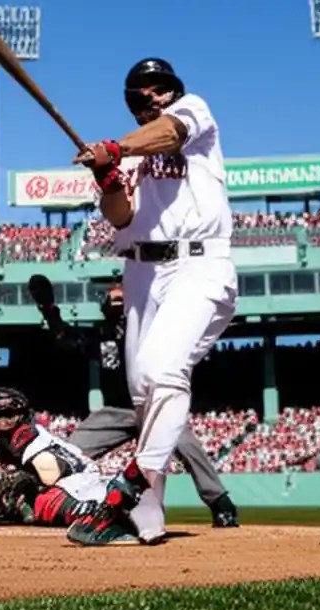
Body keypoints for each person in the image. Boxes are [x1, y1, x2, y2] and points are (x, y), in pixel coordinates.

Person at [65, 57, 239, 546]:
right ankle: (148, 517)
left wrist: (114, 147)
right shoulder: (132, 154)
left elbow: (171, 132)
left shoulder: (192, 114)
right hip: (141, 272)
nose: (154, 96)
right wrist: (106, 177)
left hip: (198, 264)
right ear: (132, 101)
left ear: (174, 90)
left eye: (161, 88)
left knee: (164, 371)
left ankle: (128, 490)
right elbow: (120, 218)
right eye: (143, 92)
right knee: (144, 395)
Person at [26, 272, 240, 528]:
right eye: (112, 297)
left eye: (122, 295)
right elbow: (65, 338)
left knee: (186, 443)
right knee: (70, 449)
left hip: (154, 406)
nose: (117, 297)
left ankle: (221, 503)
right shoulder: (100, 336)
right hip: (118, 410)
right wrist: (49, 310)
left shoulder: (152, 329)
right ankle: (42, 500)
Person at [0, 387, 139, 542]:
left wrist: (26, 481)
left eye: (7, 415)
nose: (2, 422)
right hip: (83, 481)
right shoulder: (17, 440)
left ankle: (103, 515)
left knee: (45, 501)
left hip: (79, 484)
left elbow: (51, 475)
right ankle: (112, 505)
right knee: (39, 500)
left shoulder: (26, 440)